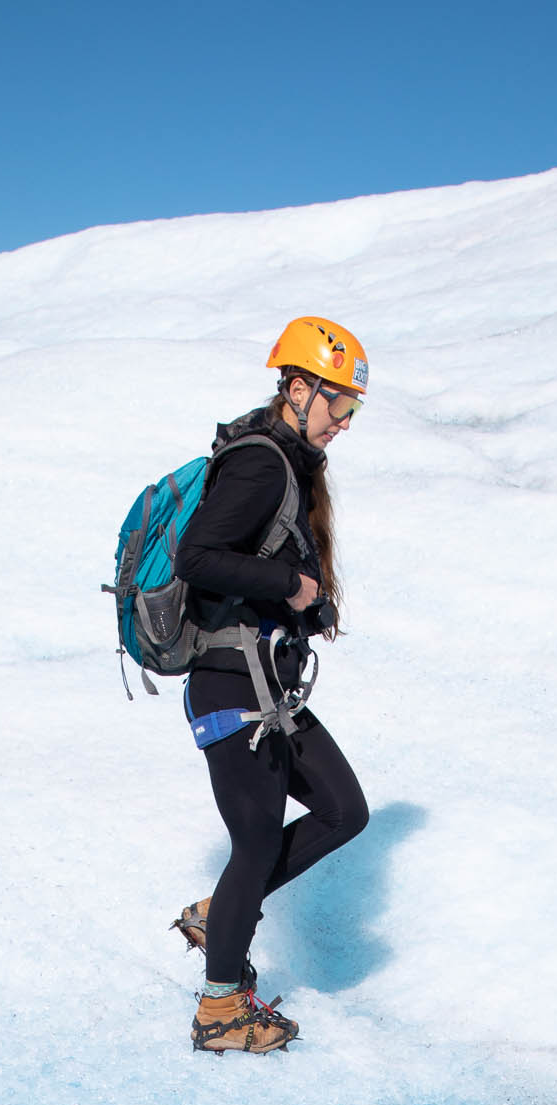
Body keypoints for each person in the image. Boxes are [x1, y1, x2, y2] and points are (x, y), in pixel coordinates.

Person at [171, 317, 372, 1053]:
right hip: (231, 685)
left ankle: (218, 914)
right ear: (296, 387)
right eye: (338, 404)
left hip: (268, 687)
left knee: (344, 811)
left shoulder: (289, 464)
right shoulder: (261, 464)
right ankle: (220, 1010)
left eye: (352, 410)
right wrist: (288, 584)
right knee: (255, 840)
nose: (343, 422)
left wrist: (309, 605)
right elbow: (196, 556)